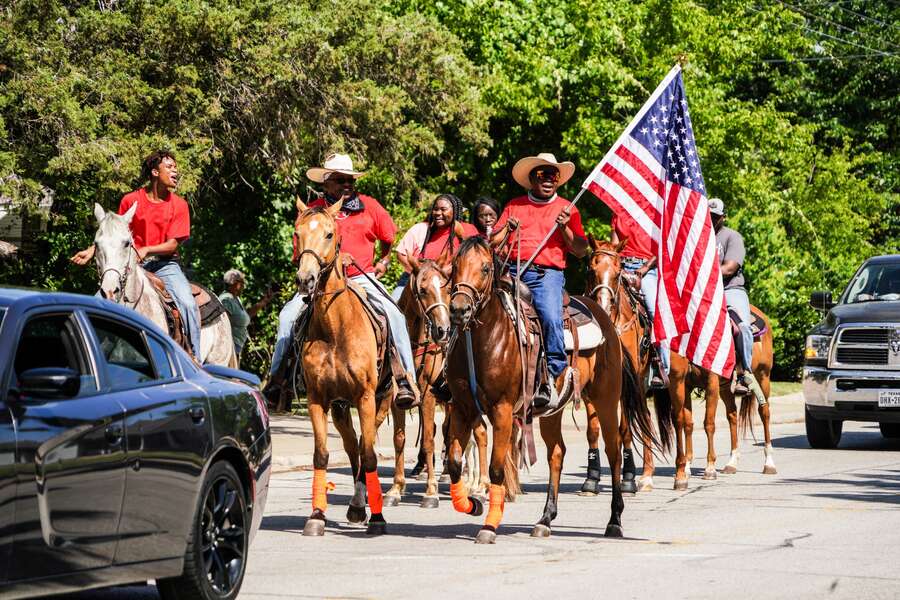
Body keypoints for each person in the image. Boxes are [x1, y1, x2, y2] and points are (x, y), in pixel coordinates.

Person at [266, 153, 419, 408]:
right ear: (326, 182)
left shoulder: (370, 206)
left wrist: (384, 261)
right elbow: (300, 250)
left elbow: (389, 237)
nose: (346, 185)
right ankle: (277, 380)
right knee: (287, 317)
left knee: (394, 315)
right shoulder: (312, 211)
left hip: (362, 276)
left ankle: (405, 379)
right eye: (340, 180)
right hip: (321, 281)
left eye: (350, 180)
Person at [71, 150, 201, 358]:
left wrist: (147, 249)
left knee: (187, 302)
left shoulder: (179, 205)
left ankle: (194, 356)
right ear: (155, 172)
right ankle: (85, 357)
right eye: (169, 167)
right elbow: (115, 236)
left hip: (166, 265)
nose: (175, 171)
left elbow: (172, 245)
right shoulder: (130, 200)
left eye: (175, 167)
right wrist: (91, 250)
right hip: (132, 266)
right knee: (95, 304)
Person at [491, 153, 588, 415]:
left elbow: (581, 250)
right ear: (532, 178)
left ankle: (554, 374)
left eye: (553, 175)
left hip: (547, 275)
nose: (548, 180)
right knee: (483, 309)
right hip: (513, 271)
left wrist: (565, 228)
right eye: (543, 175)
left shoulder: (567, 208)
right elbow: (493, 242)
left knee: (549, 315)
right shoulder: (514, 206)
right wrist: (506, 230)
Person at [610, 213, 670, 389]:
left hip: (647, 269)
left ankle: (661, 365)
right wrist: (617, 267)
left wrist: (644, 268)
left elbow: (663, 246)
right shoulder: (617, 214)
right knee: (602, 301)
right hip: (621, 267)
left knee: (654, 312)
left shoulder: (655, 213)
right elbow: (615, 247)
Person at [392, 193, 477, 301]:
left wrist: (443, 273)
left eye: (443, 209)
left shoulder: (467, 229)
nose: (438, 213)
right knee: (393, 305)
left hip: (450, 284)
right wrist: (419, 273)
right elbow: (402, 254)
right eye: (435, 209)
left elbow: (473, 259)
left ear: (455, 211)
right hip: (415, 280)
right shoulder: (425, 230)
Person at [709, 198, 754, 394]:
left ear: (723, 217)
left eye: (715, 217)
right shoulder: (697, 236)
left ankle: (744, 372)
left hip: (730, 289)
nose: (711, 220)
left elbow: (729, 268)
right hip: (703, 291)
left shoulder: (732, 237)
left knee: (742, 327)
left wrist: (704, 274)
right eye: (708, 216)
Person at [219, 269, 276, 364]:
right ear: (236, 283)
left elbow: (246, 315)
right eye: (243, 283)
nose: (244, 286)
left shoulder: (235, 298)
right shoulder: (227, 300)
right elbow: (223, 327)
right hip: (229, 350)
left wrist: (264, 301)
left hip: (235, 348)